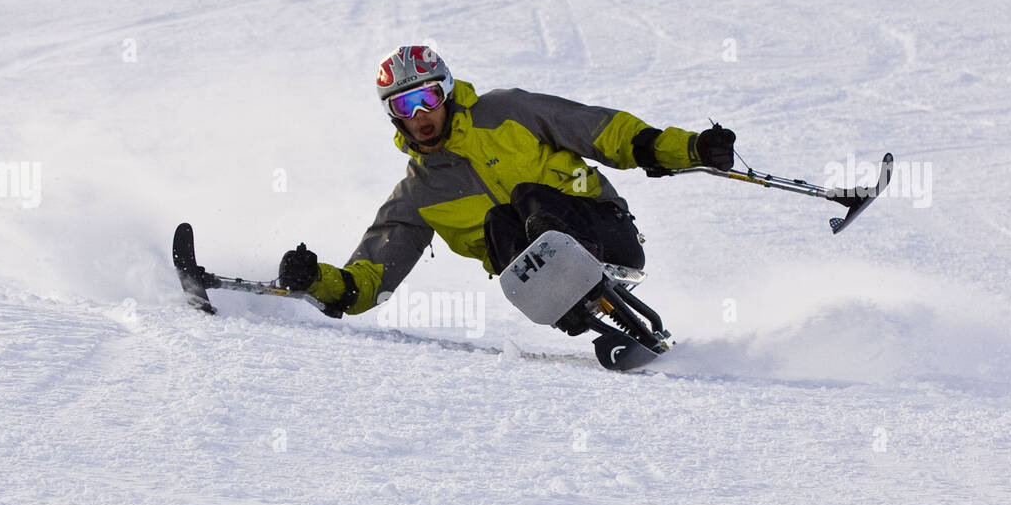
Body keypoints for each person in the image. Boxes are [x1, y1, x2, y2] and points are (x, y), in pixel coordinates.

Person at [278, 44, 735, 331]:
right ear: (392, 114)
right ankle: (573, 298)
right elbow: (369, 281)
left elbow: (603, 131)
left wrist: (689, 148)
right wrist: (317, 281)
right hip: (547, 292)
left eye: (428, 98)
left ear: (448, 93)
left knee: (527, 199)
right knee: (499, 223)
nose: (419, 115)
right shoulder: (418, 194)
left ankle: (580, 266)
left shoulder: (508, 111)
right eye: (404, 104)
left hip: (606, 236)